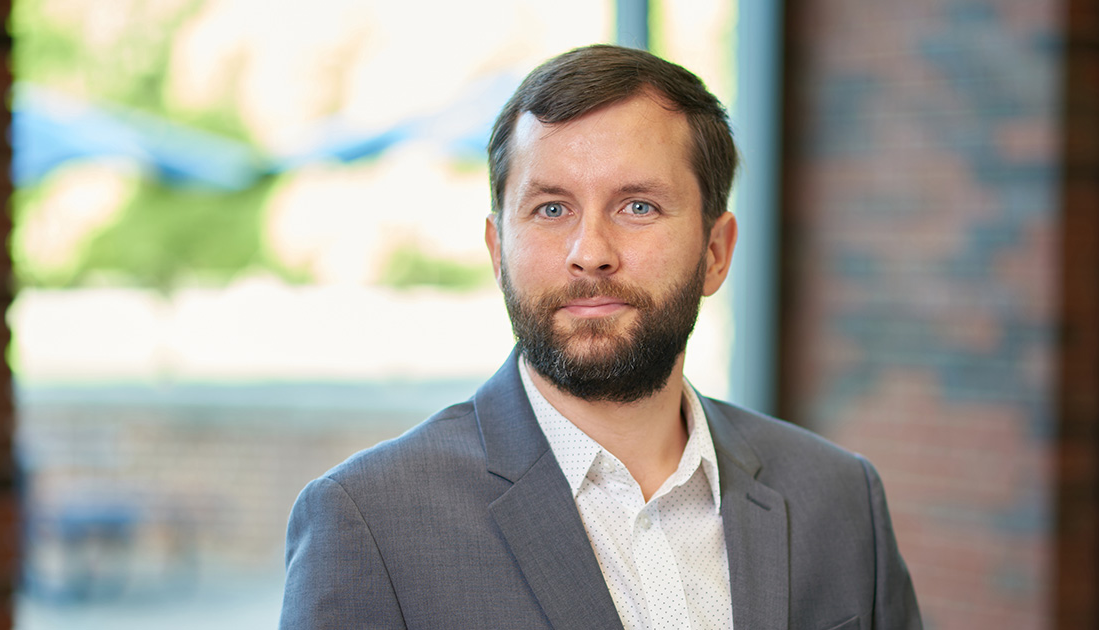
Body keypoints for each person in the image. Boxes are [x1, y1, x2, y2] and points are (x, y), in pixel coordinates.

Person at [280, 44, 921, 630]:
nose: (590, 253)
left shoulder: (840, 500)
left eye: (638, 206)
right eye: (551, 209)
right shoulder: (368, 523)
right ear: (498, 251)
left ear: (716, 252)